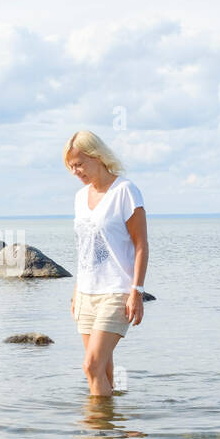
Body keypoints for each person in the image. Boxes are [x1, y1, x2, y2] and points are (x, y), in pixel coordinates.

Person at [64, 130, 148, 397]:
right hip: (86, 293)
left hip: (116, 291)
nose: (76, 171)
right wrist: (77, 291)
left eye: (79, 164)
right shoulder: (80, 198)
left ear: (97, 156)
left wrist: (137, 292)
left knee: (91, 366)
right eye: (71, 166)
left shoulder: (125, 191)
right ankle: (108, 435)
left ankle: (94, 432)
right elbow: (85, 249)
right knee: (102, 371)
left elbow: (141, 245)